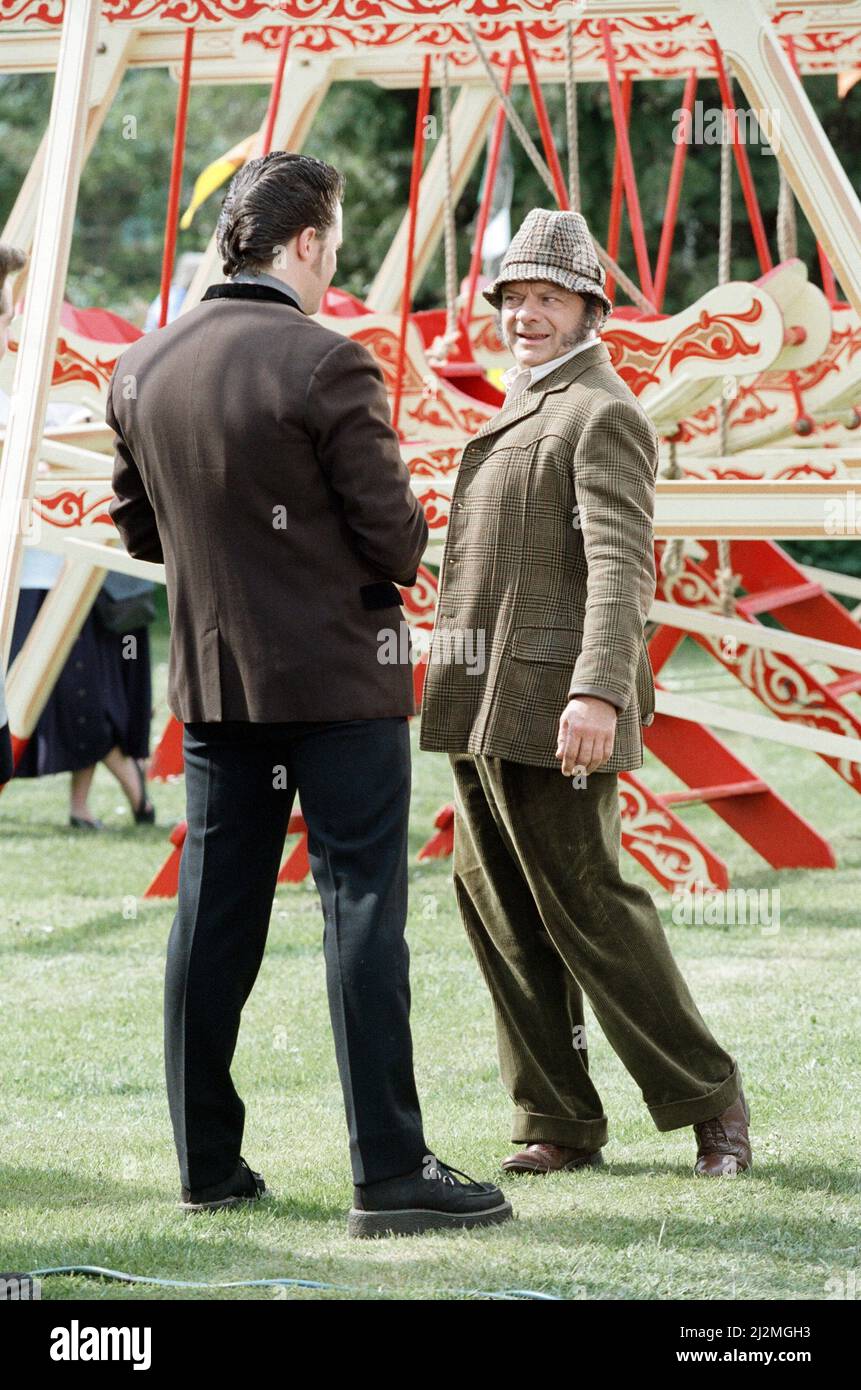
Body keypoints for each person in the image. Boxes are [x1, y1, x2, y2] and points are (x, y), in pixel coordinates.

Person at [107, 151, 512, 1235]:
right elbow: (394, 536)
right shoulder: (328, 363)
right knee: (363, 912)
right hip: (340, 676)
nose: (337, 261)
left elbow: (142, 528)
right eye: (332, 240)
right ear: (302, 243)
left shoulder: (140, 367)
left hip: (214, 684)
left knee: (212, 918)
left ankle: (207, 1162)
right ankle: (389, 1172)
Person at [420, 208, 751, 1179]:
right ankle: (556, 1118)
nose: (525, 313)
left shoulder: (602, 411)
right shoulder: (520, 403)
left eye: (545, 298)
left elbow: (621, 567)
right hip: (478, 704)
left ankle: (711, 1099)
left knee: (592, 907)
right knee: (498, 906)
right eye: (514, 297)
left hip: (555, 705)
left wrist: (600, 692)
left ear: (586, 308)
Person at [0, 240, 155, 826]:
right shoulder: (19, 392)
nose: (12, 329)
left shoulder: (59, 393)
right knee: (70, 700)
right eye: (6, 314)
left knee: (82, 700)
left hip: (66, 569)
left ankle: (101, 799)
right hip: (39, 574)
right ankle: (121, 794)